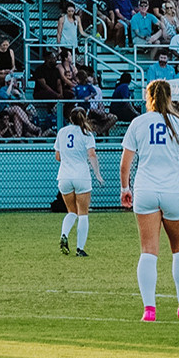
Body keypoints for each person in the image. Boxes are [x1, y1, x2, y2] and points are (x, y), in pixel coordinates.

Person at [119, 79, 179, 322]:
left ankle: (149, 310)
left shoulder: (138, 123)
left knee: (148, 251)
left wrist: (125, 188)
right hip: (173, 191)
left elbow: (125, 164)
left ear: (148, 97)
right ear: (170, 97)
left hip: (145, 190)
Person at [54, 108, 103, 256]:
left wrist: (69, 159)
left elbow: (58, 156)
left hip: (64, 176)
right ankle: (79, 249)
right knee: (83, 213)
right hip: (81, 176)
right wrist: (97, 174)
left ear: (70, 119)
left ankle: (64, 234)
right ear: (84, 118)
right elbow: (92, 155)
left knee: (71, 211)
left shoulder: (62, 132)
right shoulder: (87, 134)